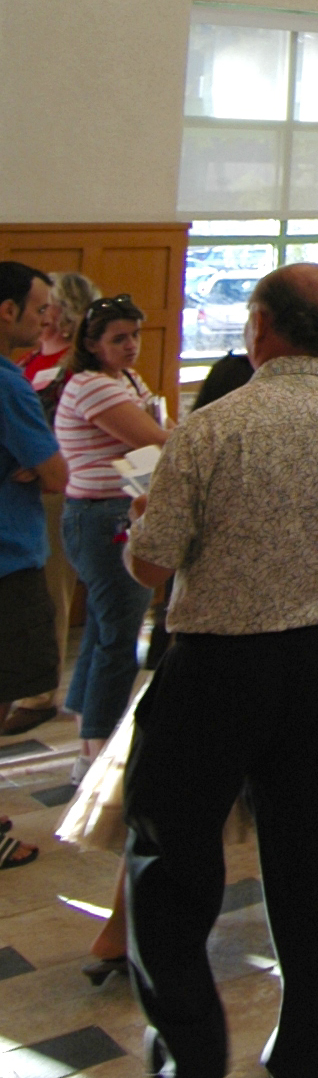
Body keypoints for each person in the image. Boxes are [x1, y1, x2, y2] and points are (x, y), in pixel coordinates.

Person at [122, 264, 318, 1078]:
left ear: (263, 328)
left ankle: (191, 1054)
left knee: (171, 856)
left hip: (216, 663)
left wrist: (137, 531)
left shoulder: (213, 431)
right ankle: (311, 1069)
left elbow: (152, 562)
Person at [51, 294, 164, 772]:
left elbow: (163, 427)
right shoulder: (93, 386)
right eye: (119, 338)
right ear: (93, 344)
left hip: (121, 509)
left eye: (135, 335)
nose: (132, 346)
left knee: (104, 627)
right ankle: (98, 755)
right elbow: (158, 438)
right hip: (102, 518)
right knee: (120, 637)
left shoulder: (127, 380)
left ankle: (85, 729)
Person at [8, 268, 97, 738]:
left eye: (50, 308)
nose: (44, 317)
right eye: (38, 308)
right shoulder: (19, 369)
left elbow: (56, 451)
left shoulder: (73, 368)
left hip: (54, 497)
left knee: (53, 588)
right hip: (17, 513)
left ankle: (39, 694)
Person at [0, 265, 63, 858]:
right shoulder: (9, 383)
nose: (47, 319)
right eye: (40, 308)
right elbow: (54, 473)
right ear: (7, 312)